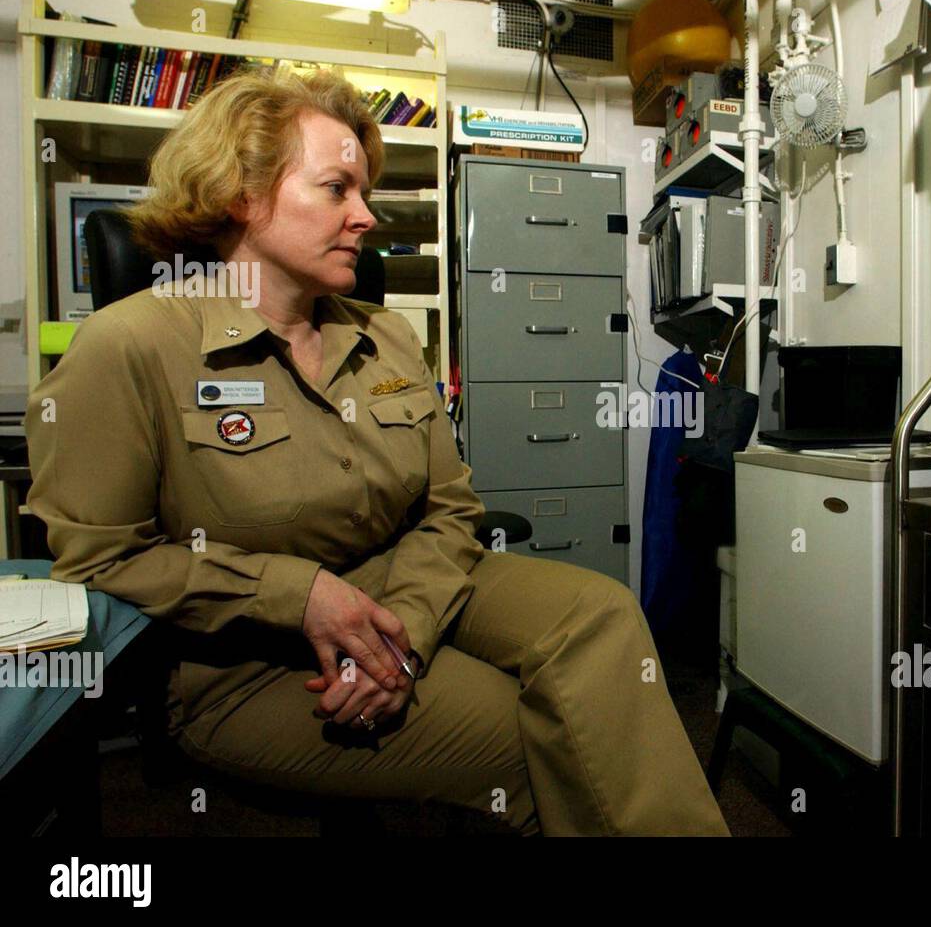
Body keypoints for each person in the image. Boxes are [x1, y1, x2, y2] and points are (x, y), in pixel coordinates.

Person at [24, 68, 729, 836]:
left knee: (602, 612)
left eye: (364, 192)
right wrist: (300, 593)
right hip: (247, 662)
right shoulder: (129, 345)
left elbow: (449, 508)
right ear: (241, 194)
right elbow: (98, 559)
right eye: (335, 190)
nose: (366, 217)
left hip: (405, 588)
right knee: (538, 732)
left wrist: (408, 633)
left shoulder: (385, 335)